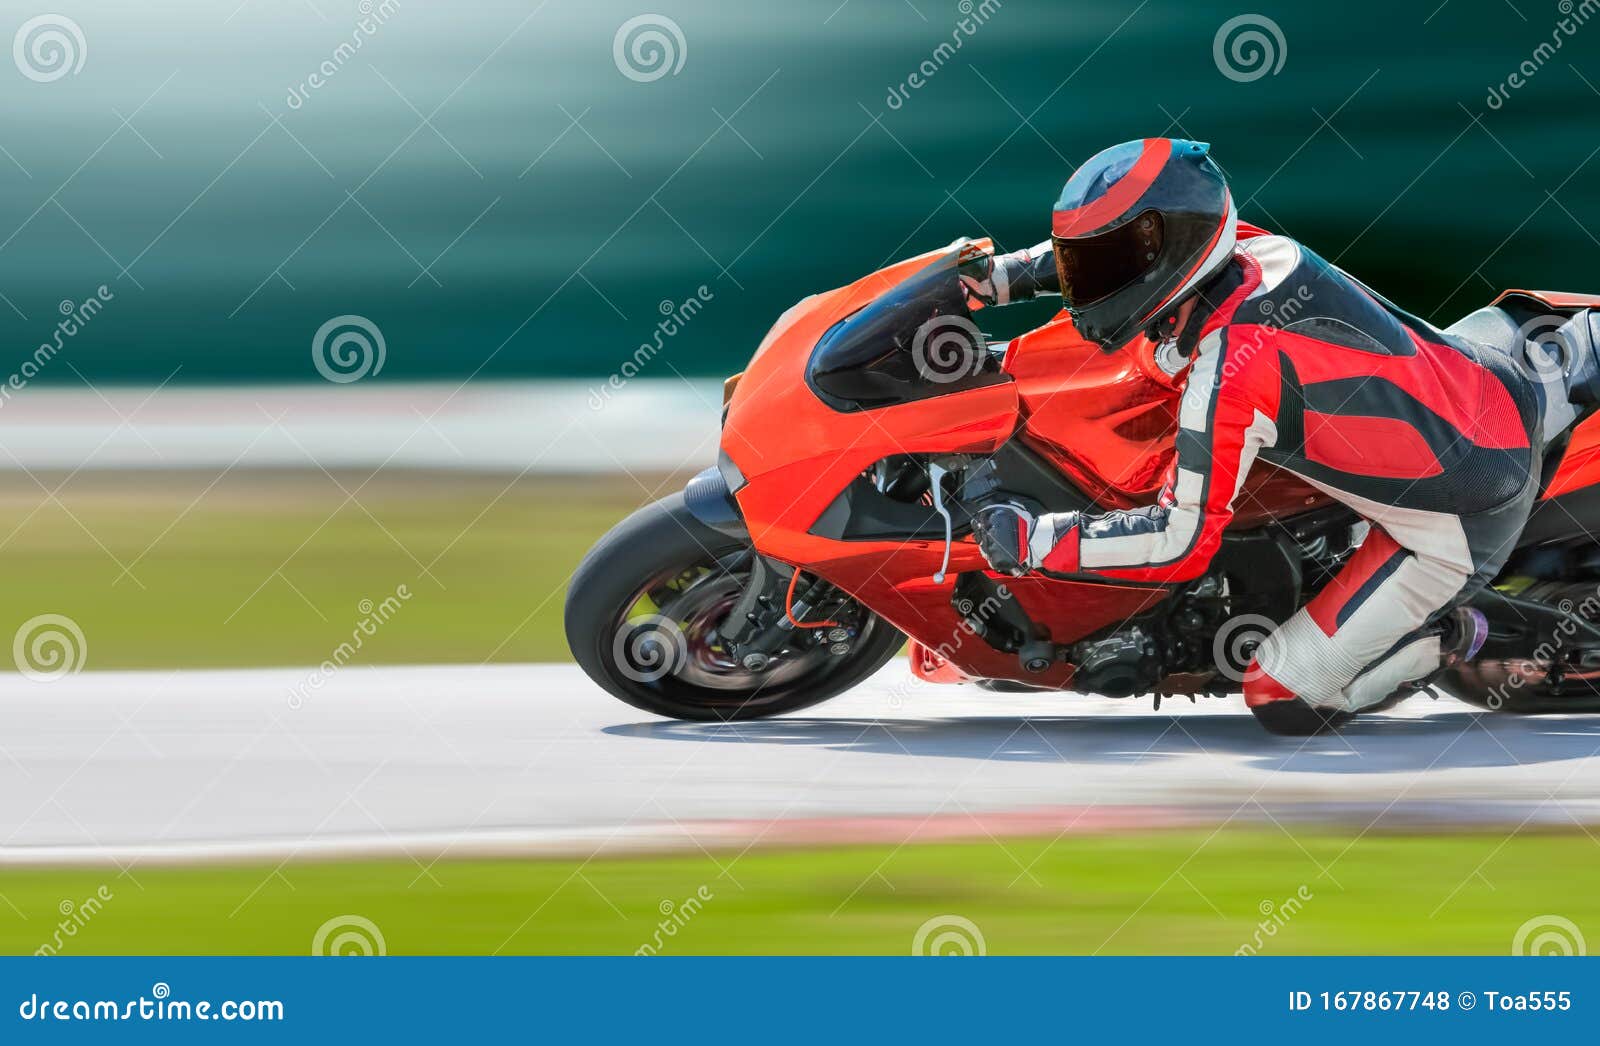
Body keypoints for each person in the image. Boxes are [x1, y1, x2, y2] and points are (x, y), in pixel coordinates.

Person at [962, 137, 1593, 734]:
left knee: (1282, 697)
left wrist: (1034, 539)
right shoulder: (1243, 251)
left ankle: (1452, 633)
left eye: (1109, 262)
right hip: (1479, 373)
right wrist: (1001, 277)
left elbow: (1179, 540)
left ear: (1178, 245)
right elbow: (1099, 267)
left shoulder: (1232, 369)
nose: (1088, 282)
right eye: (1086, 263)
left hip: (1462, 508)